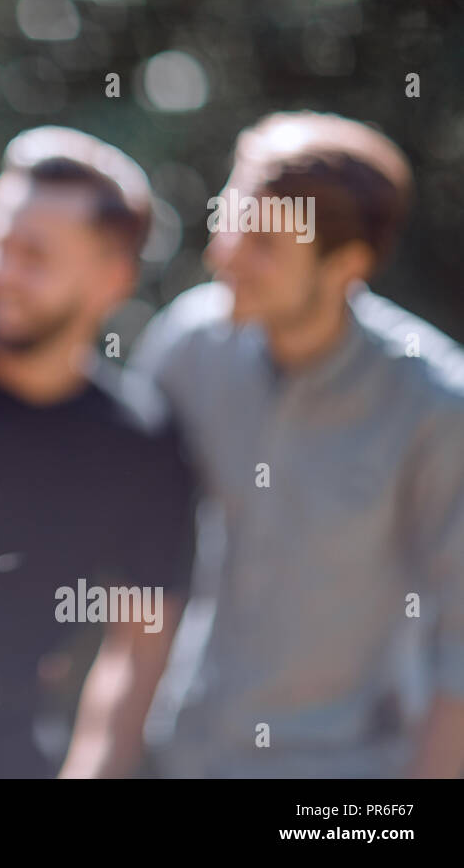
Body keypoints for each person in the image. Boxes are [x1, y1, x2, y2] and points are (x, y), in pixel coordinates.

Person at [134, 111, 464, 778]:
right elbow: (125, 538)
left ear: (347, 265)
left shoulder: (435, 406)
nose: (223, 253)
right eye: (229, 221)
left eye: (262, 243)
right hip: (185, 753)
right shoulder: (188, 349)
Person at [0, 127, 198, 779]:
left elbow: (138, 650)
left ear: (112, 279)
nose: (0, 272)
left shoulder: (138, 443)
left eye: (33, 256)